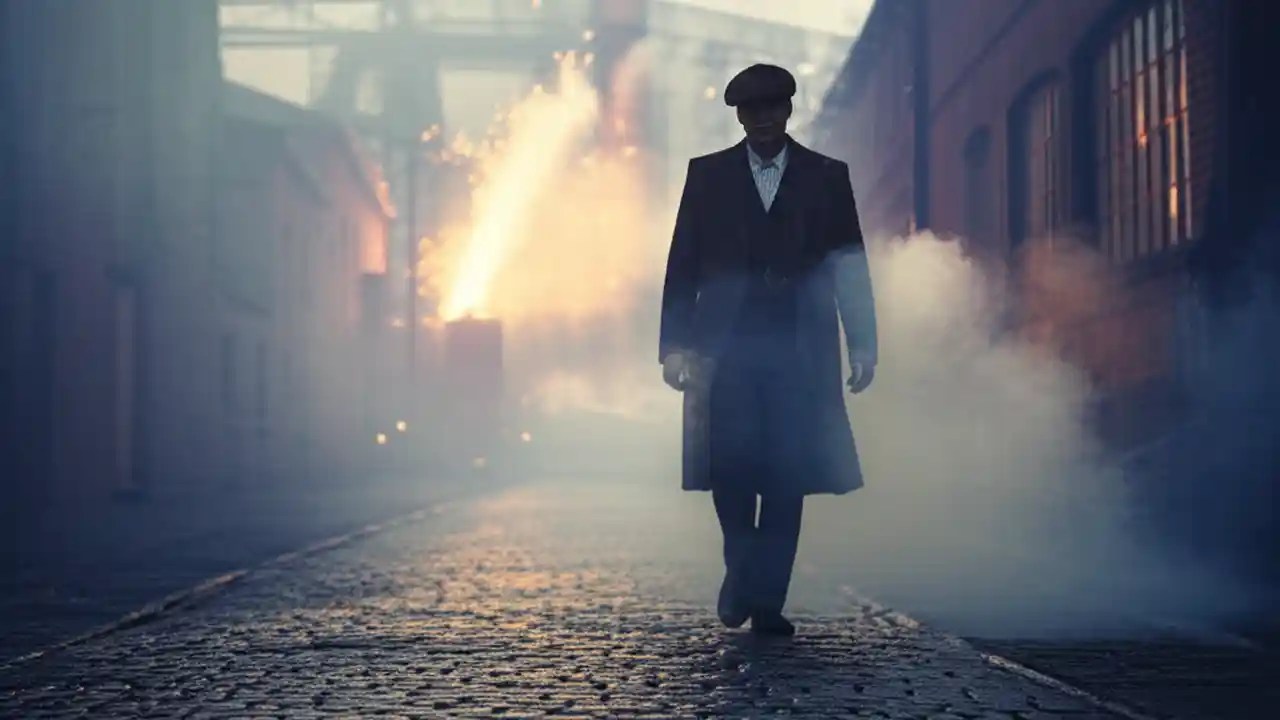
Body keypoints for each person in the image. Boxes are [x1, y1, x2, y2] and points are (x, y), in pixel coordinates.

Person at [658, 63, 878, 636]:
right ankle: (742, 570)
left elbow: (849, 265)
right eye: (749, 111)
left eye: (770, 108)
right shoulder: (706, 176)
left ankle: (767, 602)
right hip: (722, 351)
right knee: (729, 469)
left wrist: (864, 345)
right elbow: (682, 267)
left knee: (784, 476)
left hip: (799, 352)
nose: (760, 119)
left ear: (787, 110)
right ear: (738, 115)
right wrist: (674, 347)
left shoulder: (828, 177)